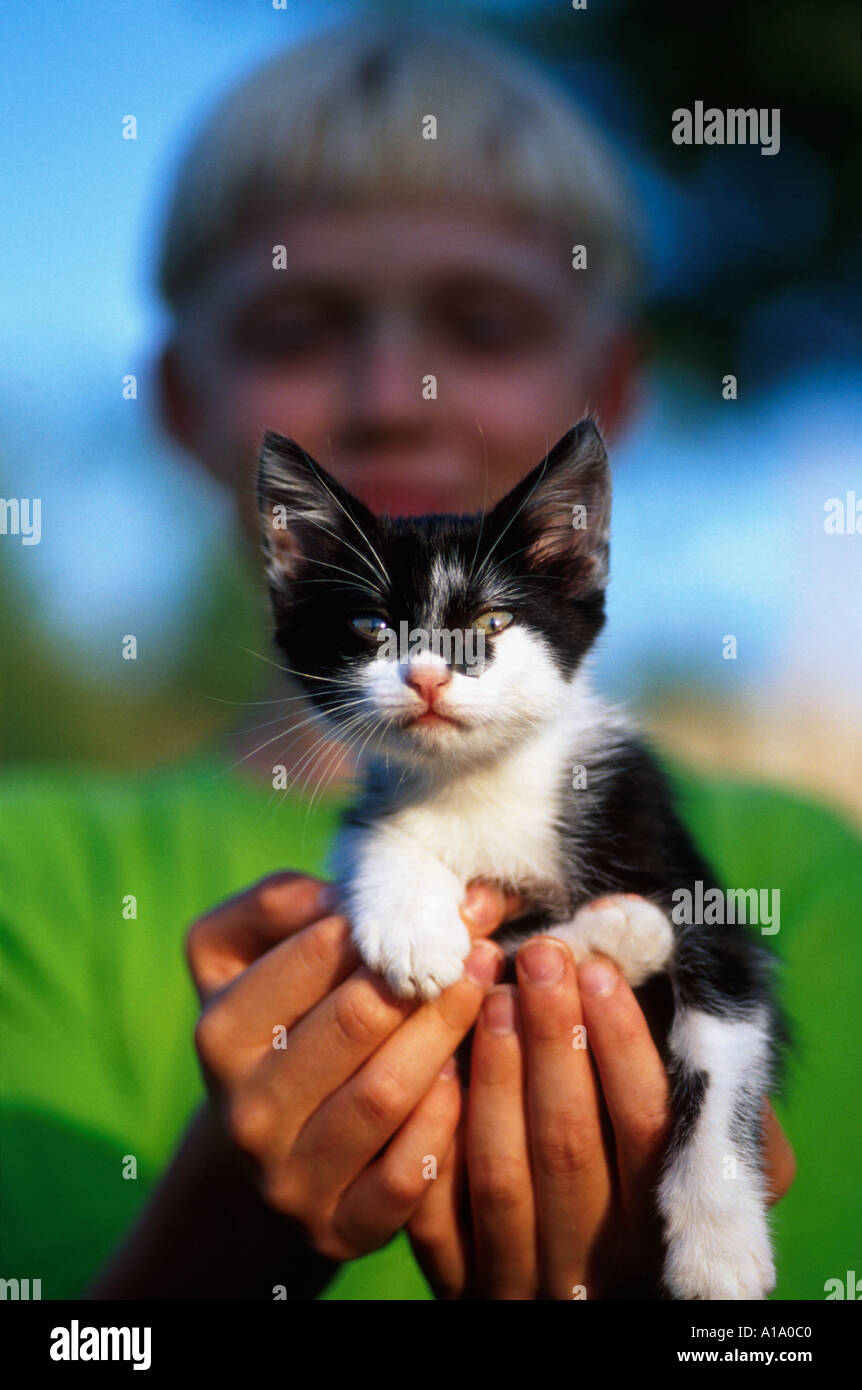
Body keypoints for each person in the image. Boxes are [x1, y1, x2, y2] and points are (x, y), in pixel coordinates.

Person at [12, 12, 859, 1302]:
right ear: (183, 408)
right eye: (299, 324)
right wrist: (226, 1244)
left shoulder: (804, 876)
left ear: (614, 394)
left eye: (484, 320)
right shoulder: (31, 874)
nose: (392, 387)